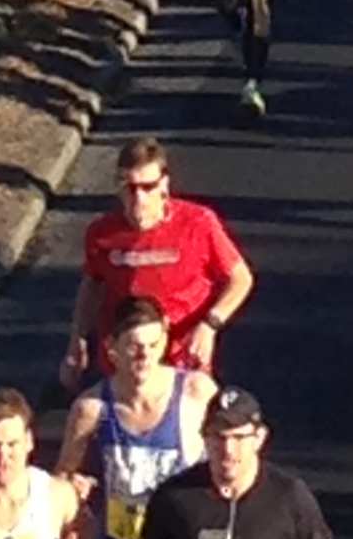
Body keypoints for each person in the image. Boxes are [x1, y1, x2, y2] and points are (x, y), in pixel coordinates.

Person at [66, 142, 252, 386]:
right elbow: (92, 284)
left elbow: (240, 279)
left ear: (164, 184)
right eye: (130, 187)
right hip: (124, 362)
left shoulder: (198, 223)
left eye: (148, 187)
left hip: (183, 360)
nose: (139, 198)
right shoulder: (101, 233)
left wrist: (210, 325)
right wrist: (76, 340)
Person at [58, 301, 214, 539]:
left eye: (153, 345)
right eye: (133, 346)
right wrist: (77, 520)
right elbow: (63, 479)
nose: (145, 356)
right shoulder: (92, 407)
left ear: (165, 341)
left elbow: (236, 455)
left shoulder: (195, 393)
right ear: (111, 347)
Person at [137, 389, 338, 539]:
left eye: (239, 438)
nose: (228, 449)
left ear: (259, 438)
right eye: (218, 437)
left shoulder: (288, 494)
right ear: (204, 438)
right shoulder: (176, 494)